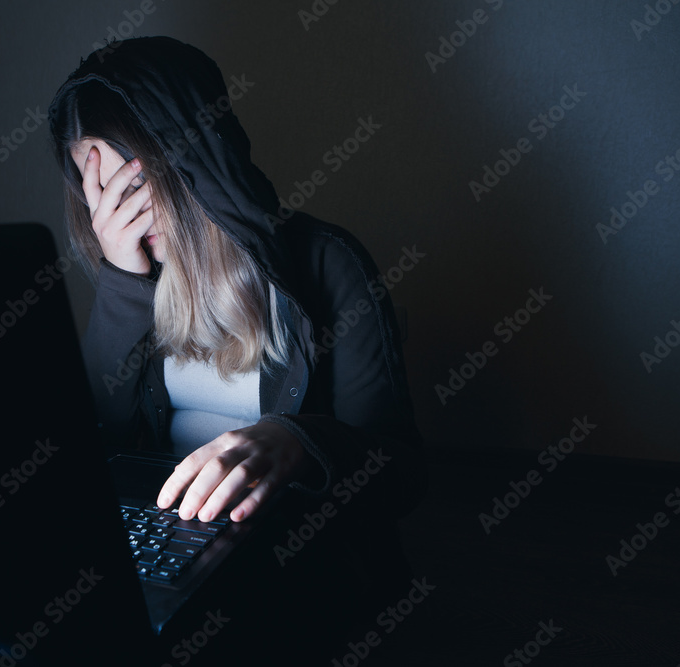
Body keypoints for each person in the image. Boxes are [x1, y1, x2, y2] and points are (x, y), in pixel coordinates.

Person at [48, 36, 426, 662]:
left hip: (298, 561)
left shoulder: (329, 262)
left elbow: (403, 474)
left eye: (132, 185)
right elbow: (92, 446)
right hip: (179, 549)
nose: (119, 215)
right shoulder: (132, 281)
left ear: (194, 159)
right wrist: (120, 287)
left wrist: (298, 442)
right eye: (99, 194)